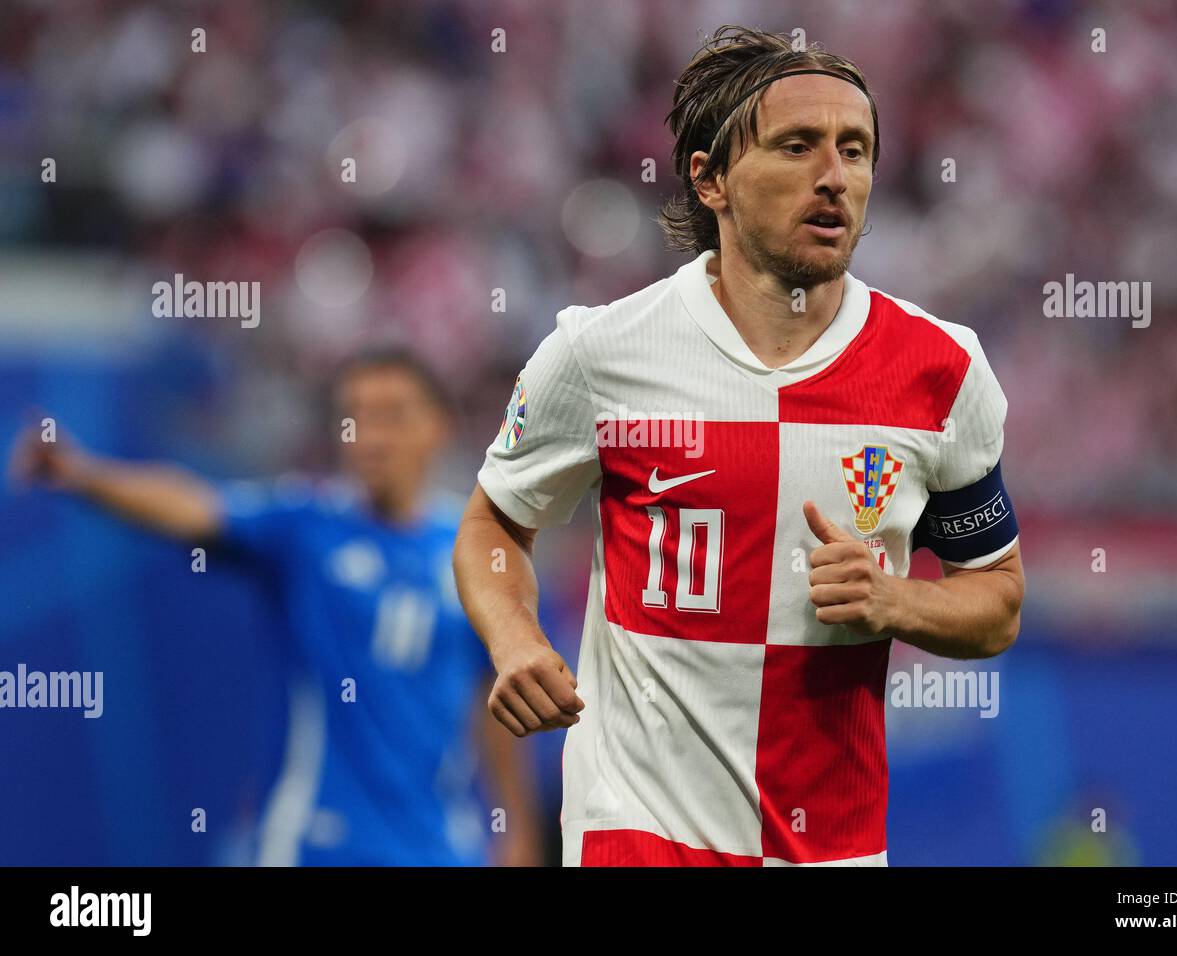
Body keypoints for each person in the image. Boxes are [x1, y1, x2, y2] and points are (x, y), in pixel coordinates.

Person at [453, 25, 1025, 867]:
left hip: (832, 845)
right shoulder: (601, 351)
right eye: (797, 146)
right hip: (635, 831)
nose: (834, 176)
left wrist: (897, 601)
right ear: (709, 178)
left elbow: (997, 599)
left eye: (855, 150)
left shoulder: (941, 369)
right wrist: (516, 639)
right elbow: (494, 526)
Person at [10, 346, 540, 866]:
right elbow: (194, 507)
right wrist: (83, 475)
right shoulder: (305, 526)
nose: (372, 437)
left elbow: (489, 695)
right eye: (354, 419)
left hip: (442, 847)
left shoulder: (472, 553)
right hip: (316, 841)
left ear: (440, 427)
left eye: (392, 416)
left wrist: (514, 823)